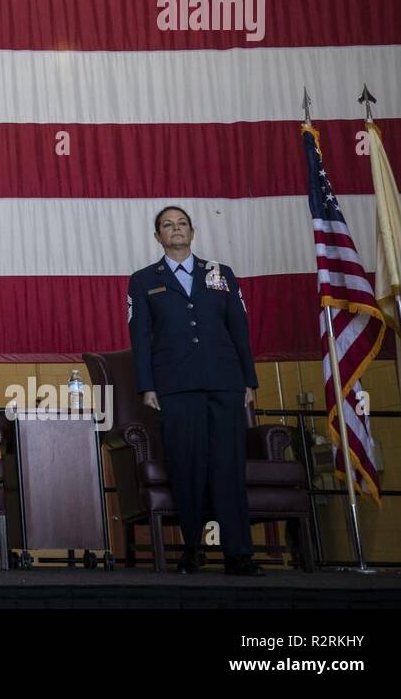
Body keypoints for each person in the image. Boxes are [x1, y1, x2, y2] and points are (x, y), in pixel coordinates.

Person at [127, 205, 263, 576]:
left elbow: (239, 329)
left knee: (228, 467)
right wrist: (146, 386)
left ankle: (238, 553)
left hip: (224, 382)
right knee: (186, 468)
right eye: (168, 226)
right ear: (158, 237)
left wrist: (248, 380)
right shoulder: (143, 280)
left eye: (182, 224)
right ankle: (191, 549)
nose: (176, 230)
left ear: (193, 231)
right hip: (175, 386)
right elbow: (140, 338)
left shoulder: (220, 274)